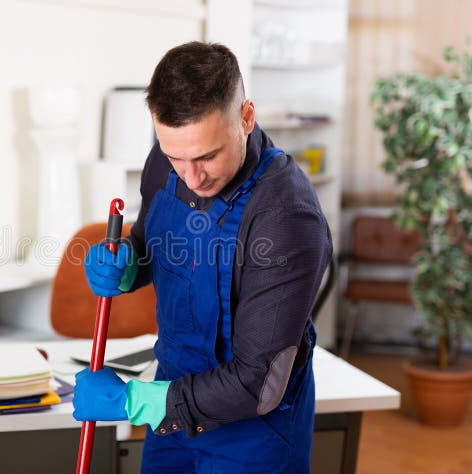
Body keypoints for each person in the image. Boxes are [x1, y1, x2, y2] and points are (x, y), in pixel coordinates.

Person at [73, 41, 332, 473]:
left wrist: (131, 400)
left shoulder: (287, 217)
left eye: (208, 156)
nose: (191, 177)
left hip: (253, 439)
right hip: (172, 421)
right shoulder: (169, 155)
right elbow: (151, 244)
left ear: (245, 117)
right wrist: (126, 266)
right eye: (177, 157)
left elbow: (258, 384)